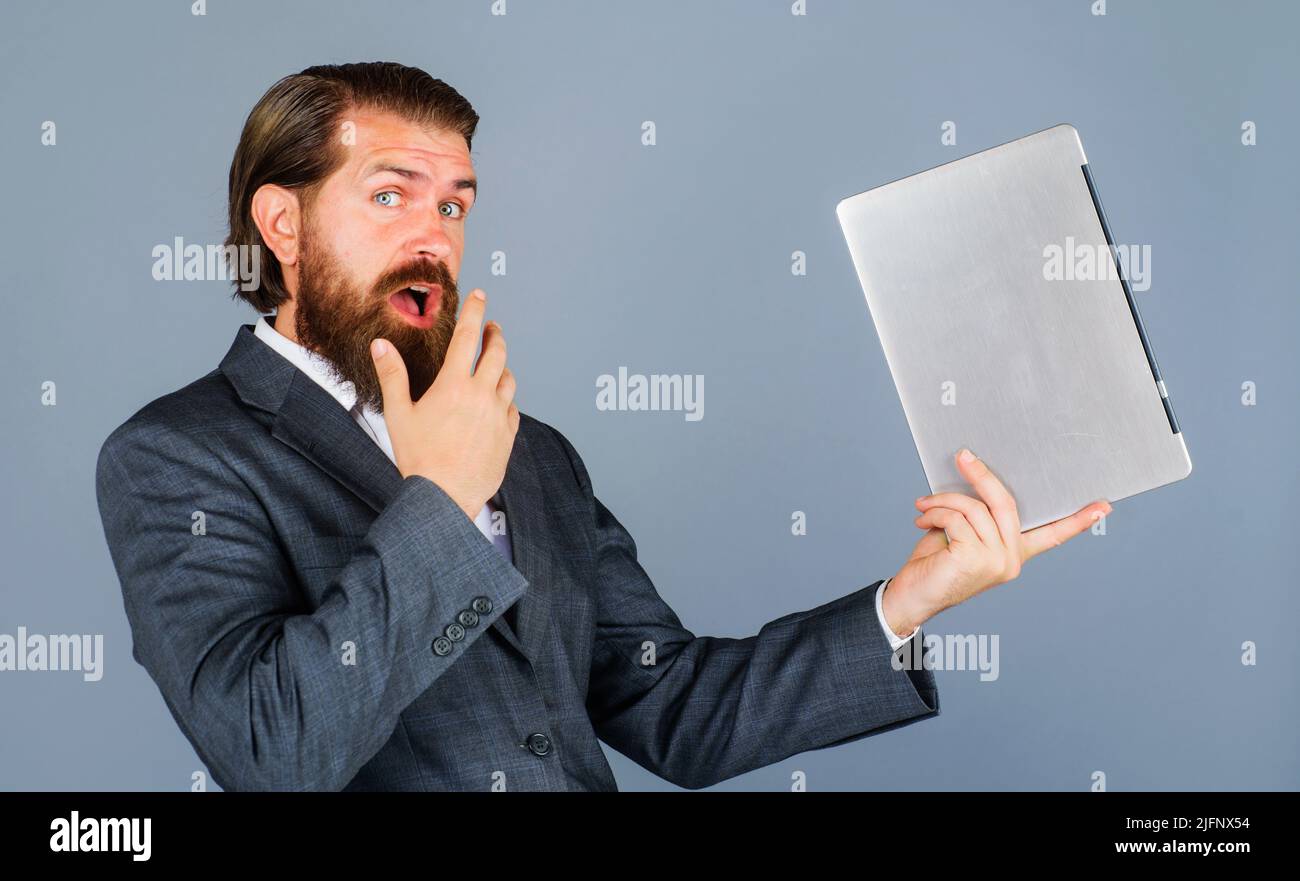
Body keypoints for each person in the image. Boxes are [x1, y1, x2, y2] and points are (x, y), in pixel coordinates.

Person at [95, 62, 1110, 791]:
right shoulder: (176, 457)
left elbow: (675, 712)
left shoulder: (531, 452)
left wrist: (910, 597)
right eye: (391, 194)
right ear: (284, 224)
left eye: (454, 205)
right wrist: (441, 501)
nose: (431, 236)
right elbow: (276, 752)